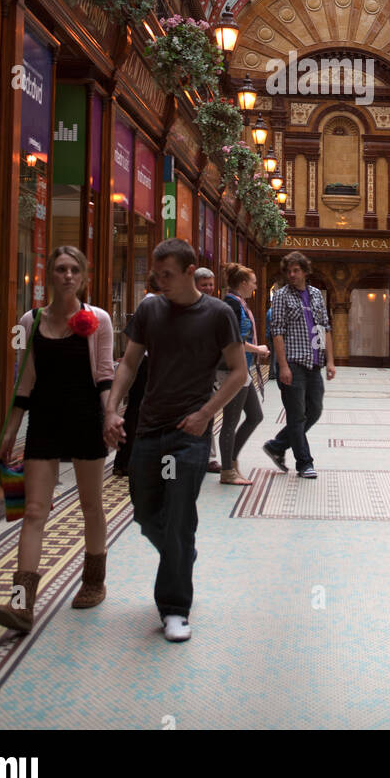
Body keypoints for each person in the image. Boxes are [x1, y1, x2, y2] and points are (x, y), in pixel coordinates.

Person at [103, 238, 245, 643]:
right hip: (149, 429)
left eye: (167, 274)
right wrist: (112, 409)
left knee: (180, 516)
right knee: (146, 513)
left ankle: (175, 607)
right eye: (156, 273)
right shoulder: (150, 308)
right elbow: (129, 362)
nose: (159, 280)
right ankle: (181, 555)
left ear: (188, 271)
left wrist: (205, 415)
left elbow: (237, 372)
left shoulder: (217, 313)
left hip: (190, 433)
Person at [0, 246, 114, 634]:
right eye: (60, 269)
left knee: (90, 505)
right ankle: (22, 604)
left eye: (75, 269)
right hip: (43, 421)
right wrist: (10, 430)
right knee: (34, 510)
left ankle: (93, 581)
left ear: (84, 276)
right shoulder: (30, 321)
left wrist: (111, 415)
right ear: (49, 275)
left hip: (85, 419)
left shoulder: (98, 320)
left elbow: (105, 375)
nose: (67, 275)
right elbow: (25, 379)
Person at [262, 251, 335, 479]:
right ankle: (304, 463)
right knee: (296, 416)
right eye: (289, 271)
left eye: (296, 270)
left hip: (314, 364)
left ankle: (277, 445)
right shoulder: (282, 296)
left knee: (314, 410)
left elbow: (325, 328)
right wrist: (282, 366)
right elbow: (278, 332)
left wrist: (330, 361)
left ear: (305, 271)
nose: (292, 275)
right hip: (293, 363)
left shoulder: (315, 295)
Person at [218, 263, 268, 485]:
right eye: (253, 282)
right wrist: (258, 349)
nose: (255, 287)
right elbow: (233, 339)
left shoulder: (238, 303)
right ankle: (227, 470)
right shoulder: (231, 303)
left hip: (241, 368)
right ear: (244, 283)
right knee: (230, 420)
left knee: (255, 415)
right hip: (232, 370)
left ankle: (232, 461)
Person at [112, 271, 159, 477]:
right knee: (137, 412)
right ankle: (126, 461)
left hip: (143, 362)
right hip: (145, 363)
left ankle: (125, 461)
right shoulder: (152, 303)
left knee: (135, 411)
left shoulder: (151, 302)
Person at [194, 267, 222, 472]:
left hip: (208, 373)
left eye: (211, 284)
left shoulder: (217, 309)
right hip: (185, 375)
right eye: (205, 285)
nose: (209, 288)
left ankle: (208, 457)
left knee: (207, 414)